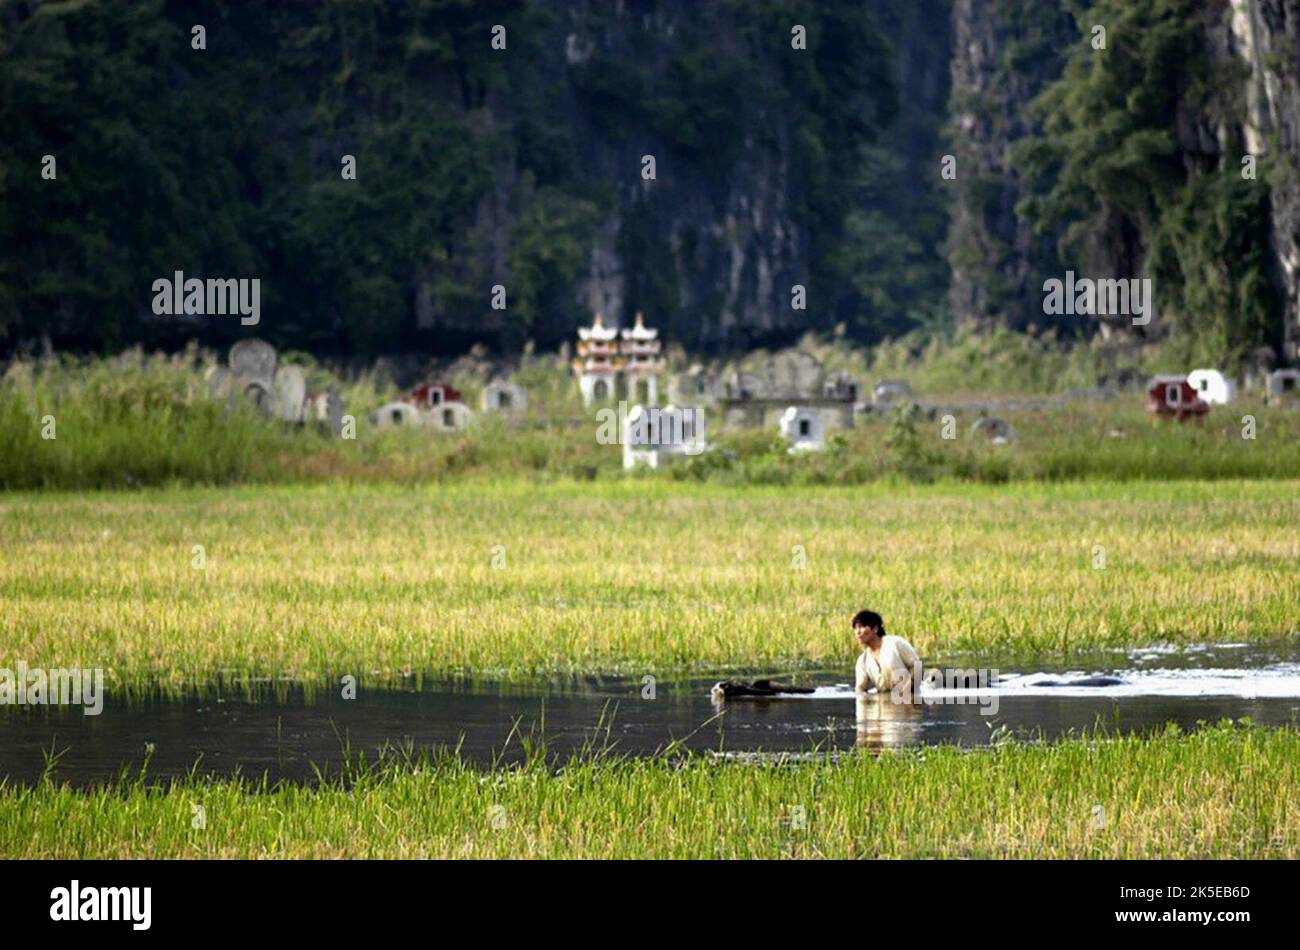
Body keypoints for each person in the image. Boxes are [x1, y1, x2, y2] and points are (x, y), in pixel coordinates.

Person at [852, 609, 921, 699]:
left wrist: (906, 689)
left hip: (910, 700)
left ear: (875, 629)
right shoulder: (862, 661)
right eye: (855, 628)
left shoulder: (896, 643)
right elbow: (860, 690)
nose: (858, 632)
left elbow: (918, 666)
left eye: (862, 627)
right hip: (885, 702)